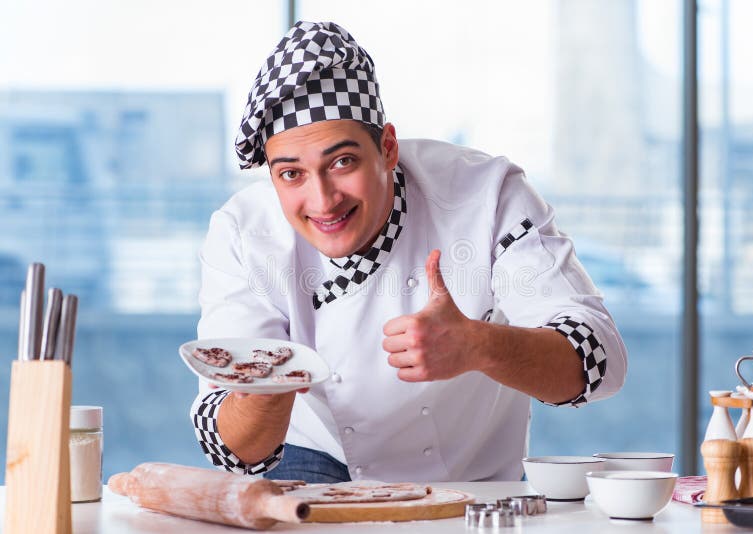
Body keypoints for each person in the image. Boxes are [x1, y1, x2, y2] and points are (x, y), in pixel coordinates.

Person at [190, 21, 627, 483]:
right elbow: (230, 448)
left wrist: (478, 345)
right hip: (317, 458)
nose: (323, 201)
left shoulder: (486, 195)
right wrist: (267, 390)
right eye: (291, 174)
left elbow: (602, 360)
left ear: (388, 148)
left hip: (475, 479)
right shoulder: (243, 234)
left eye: (342, 162)